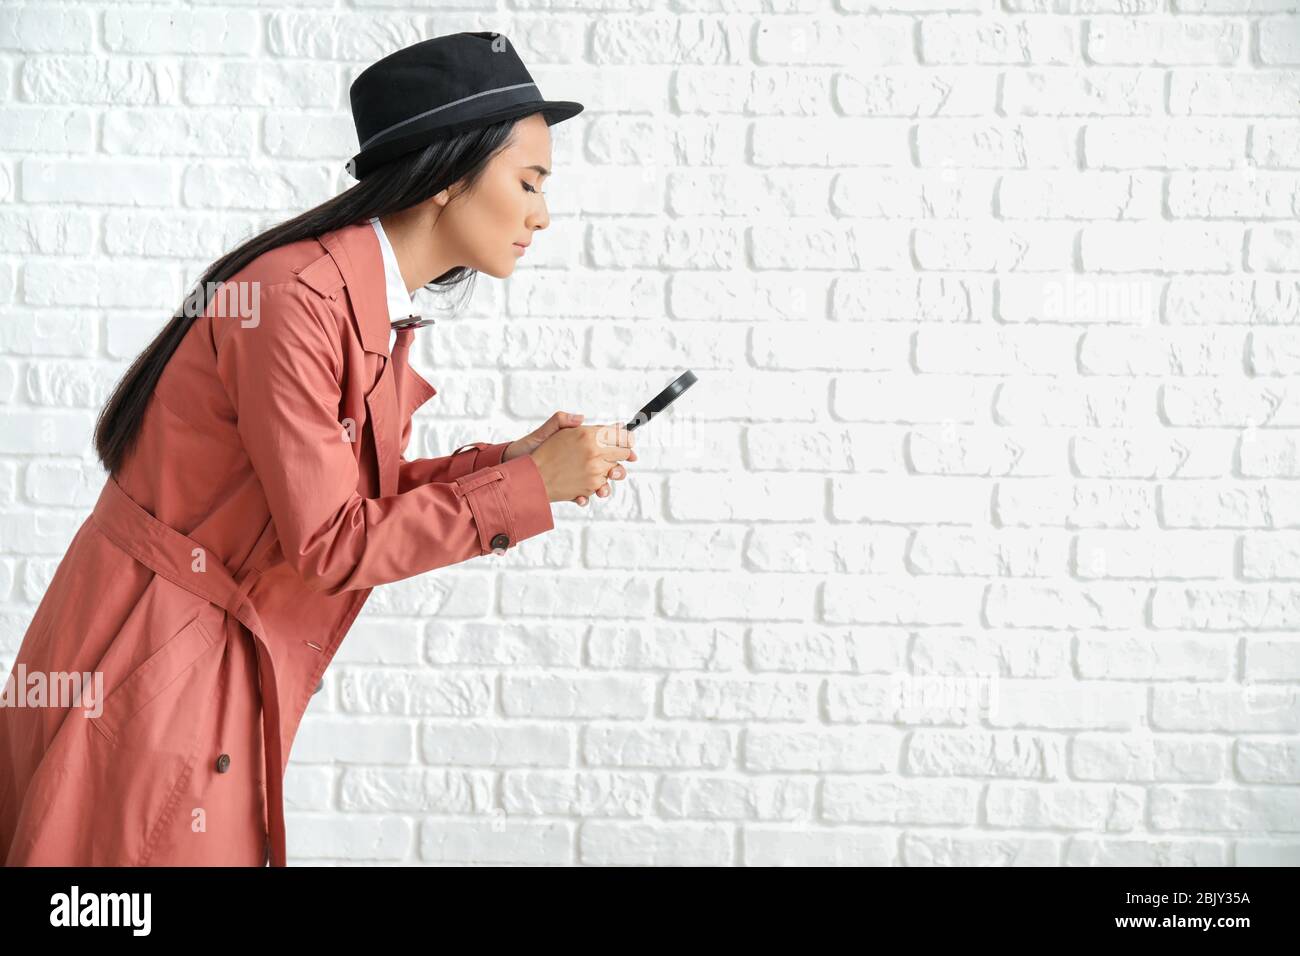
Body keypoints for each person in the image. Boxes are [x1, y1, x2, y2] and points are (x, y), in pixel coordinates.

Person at [0, 31, 634, 866]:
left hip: (191, 649)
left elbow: (339, 496)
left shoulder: (358, 299)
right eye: (529, 181)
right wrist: (525, 492)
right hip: (146, 660)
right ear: (448, 175)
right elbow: (333, 540)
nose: (542, 214)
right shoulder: (296, 298)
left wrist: (511, 466)